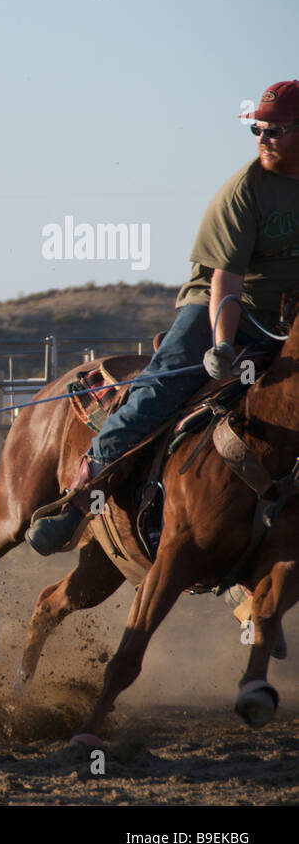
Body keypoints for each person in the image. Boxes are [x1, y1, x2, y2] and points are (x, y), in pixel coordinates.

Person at [28, 79, 299, 555]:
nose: (263, 138)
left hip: (288, 318)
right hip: (223, 307)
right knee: (160, 388)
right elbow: (226, 280)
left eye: (276, 130)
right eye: (258, 128)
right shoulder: (245, 191)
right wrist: (221, 344)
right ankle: (79, 497)